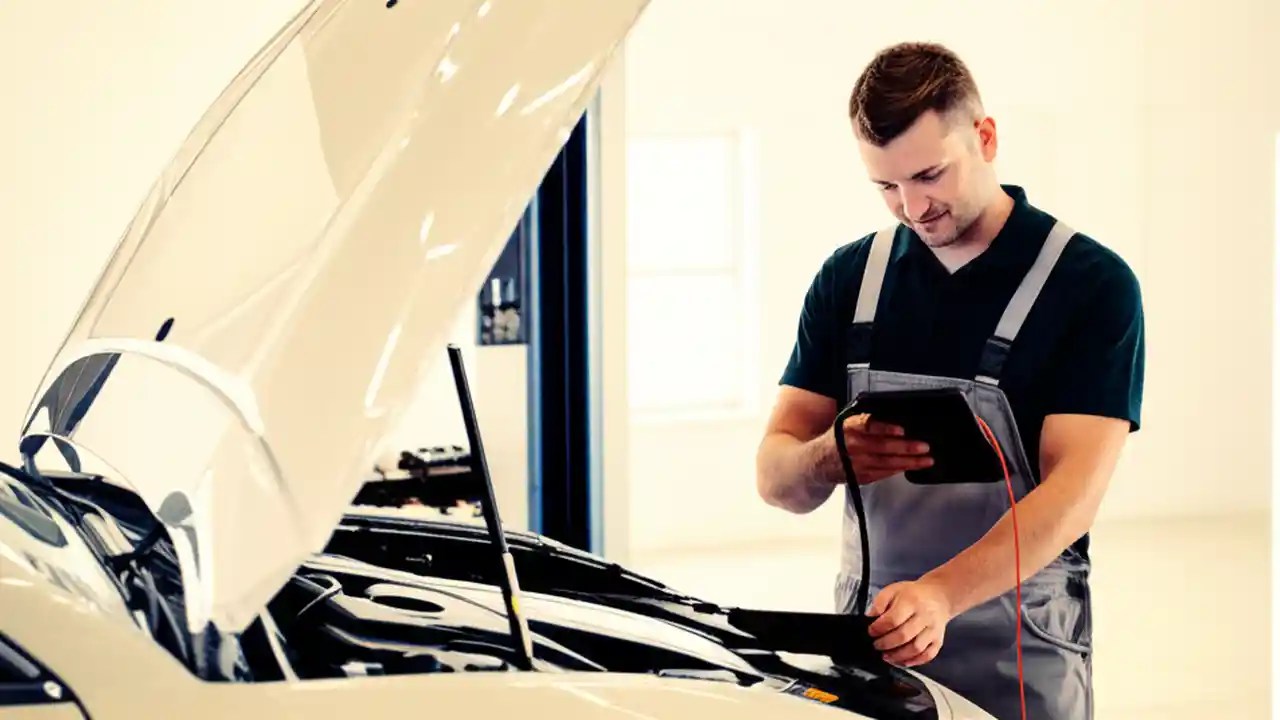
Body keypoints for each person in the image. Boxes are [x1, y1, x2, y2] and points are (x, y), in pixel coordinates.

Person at [755, 41, 1144, 720]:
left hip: (1023, 643)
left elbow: (1073, 495)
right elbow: (774, 477)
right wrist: (826, 456)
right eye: (885, 186)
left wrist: (938, 594)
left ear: (985, 138)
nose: (912, 207)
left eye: (930, 175)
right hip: (874, 638)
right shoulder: (850, 280)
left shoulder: (1090, 286)